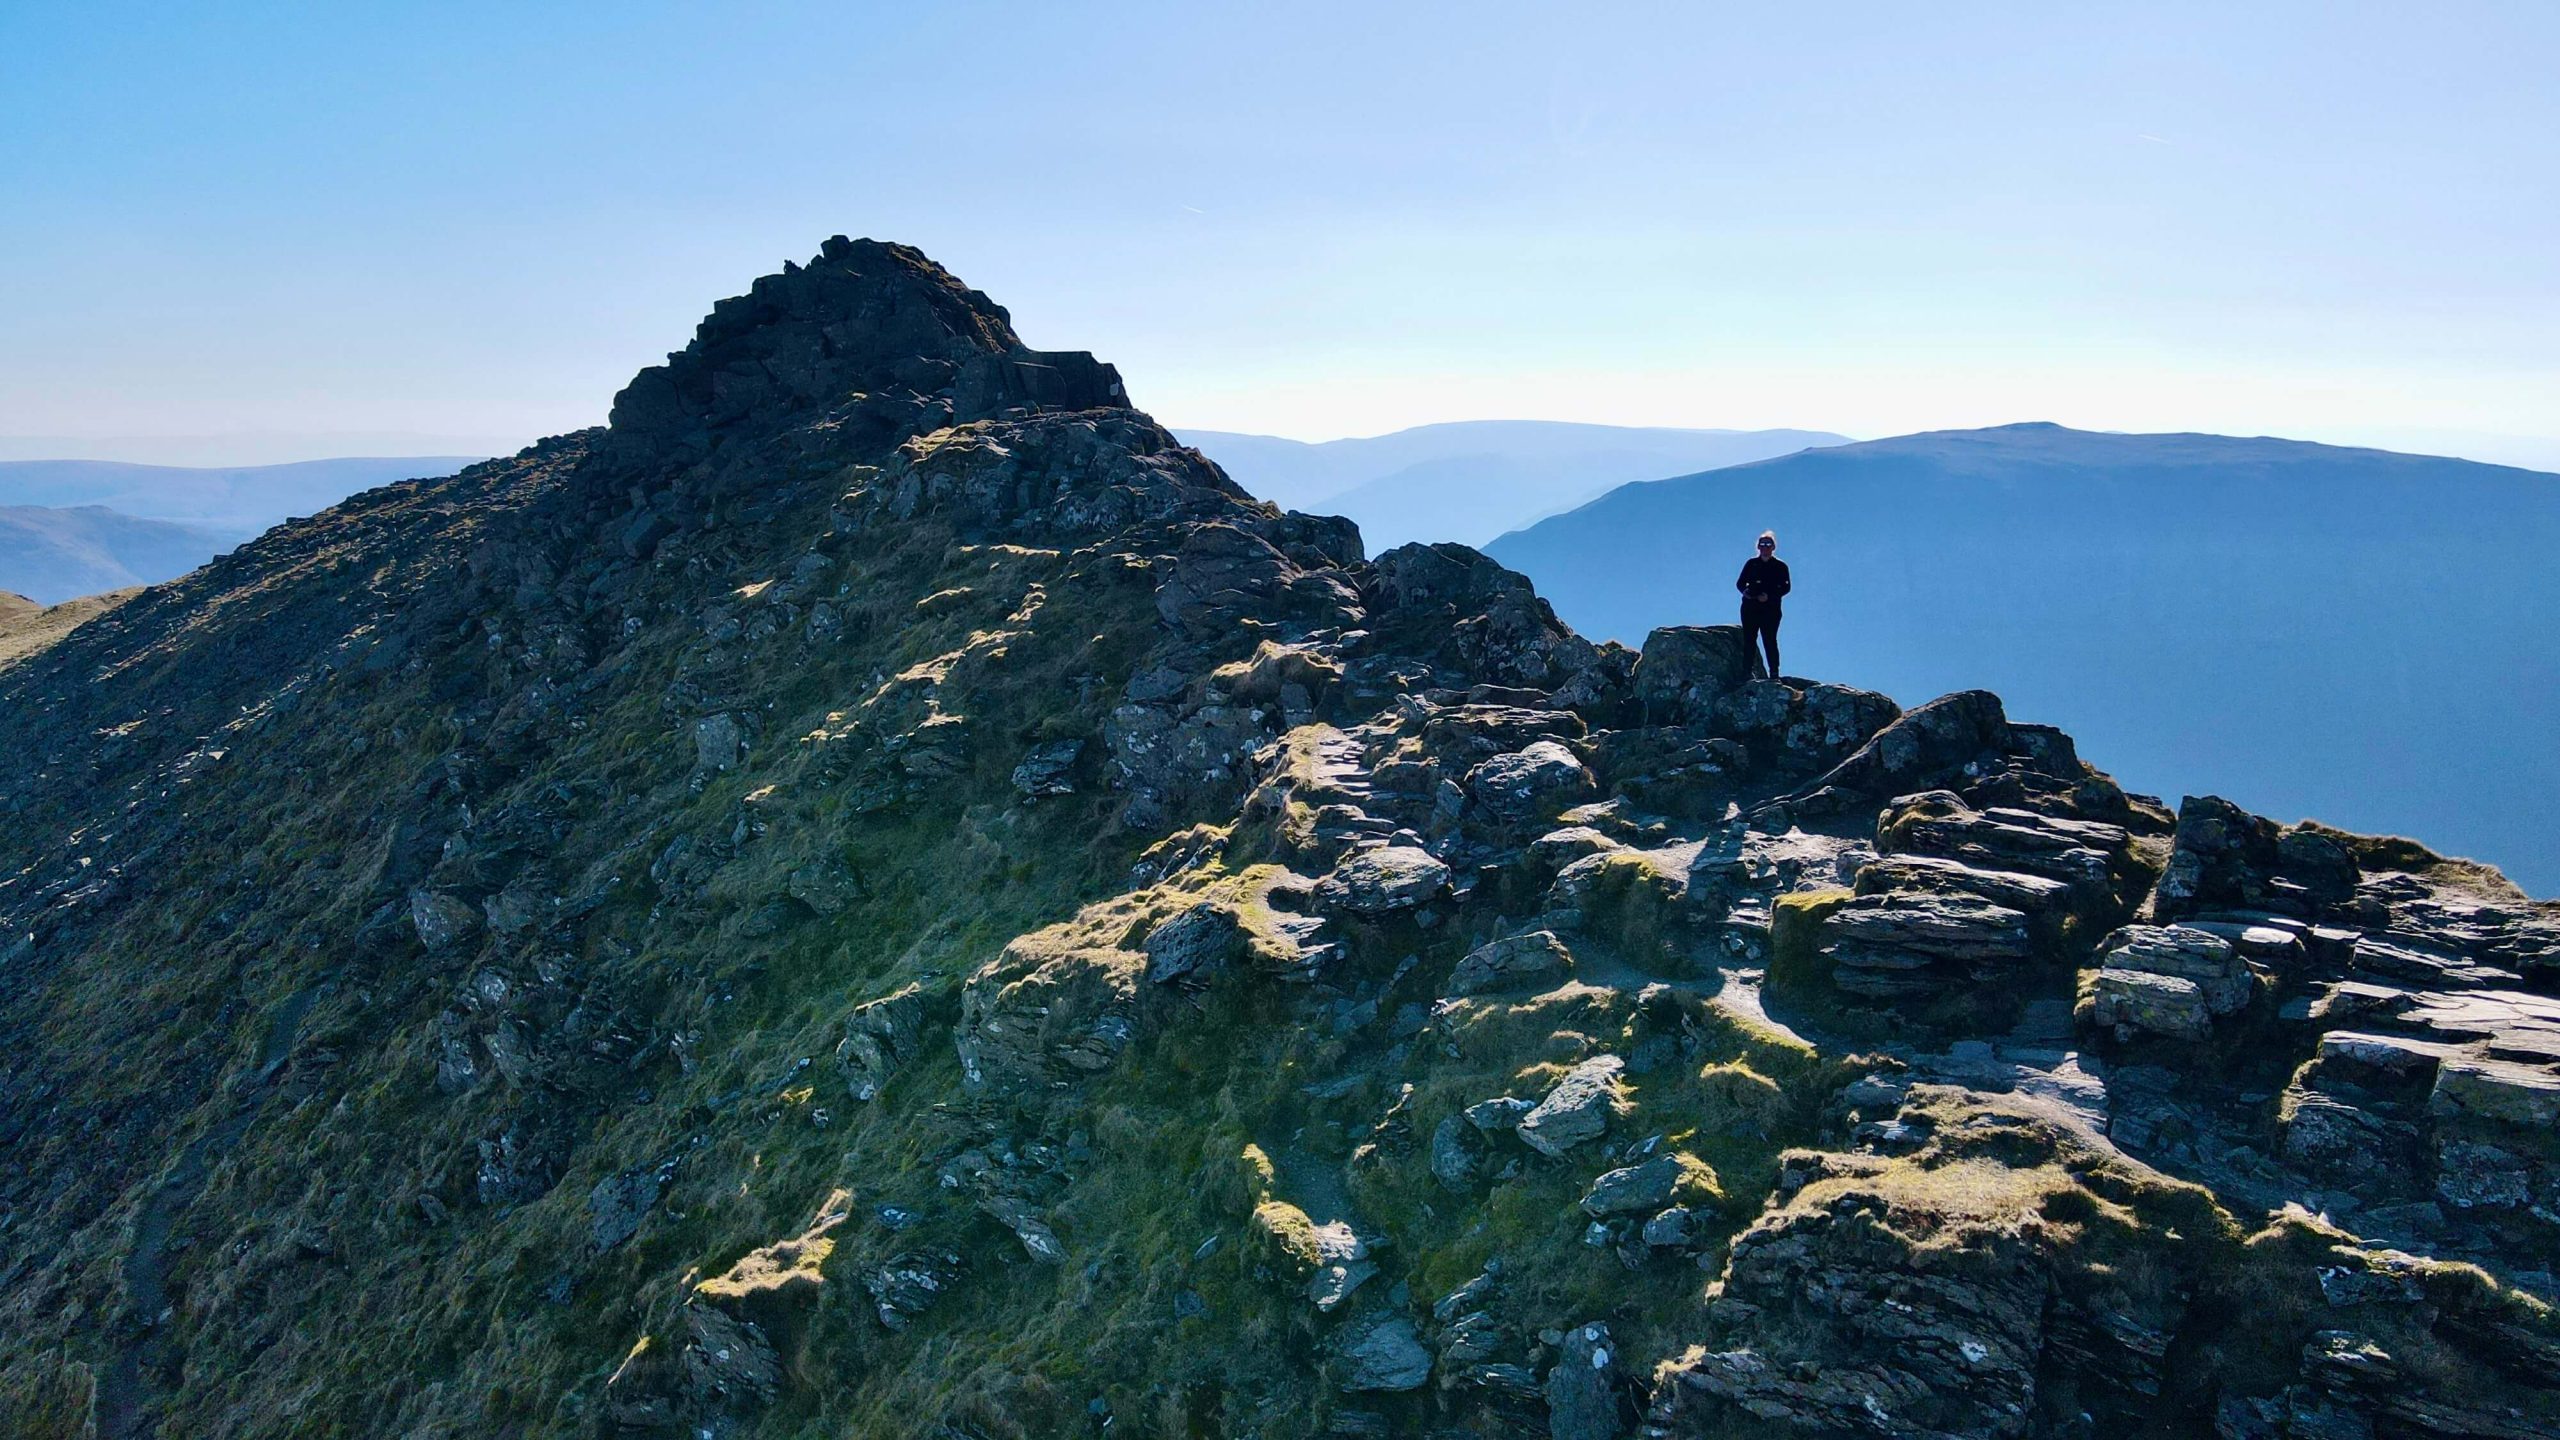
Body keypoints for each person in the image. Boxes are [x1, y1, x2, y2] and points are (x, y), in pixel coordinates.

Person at [1735, 530, 1789, 680]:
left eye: (1768, 544)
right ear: (1758, 547)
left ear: (1773, 547)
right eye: (1762, 544)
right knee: (1749, 639)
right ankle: (1746, 672)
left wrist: (1769, 596)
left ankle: (1774, 673)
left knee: (1769, 639)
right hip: (1750, 607)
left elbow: (1786, 587)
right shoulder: (1751, 564)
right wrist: (1745, 592)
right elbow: (1740, 583)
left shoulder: (1780, 566)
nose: (1765, 547)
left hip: (1770, 609)